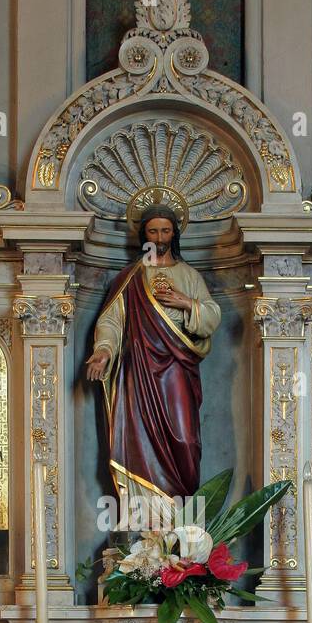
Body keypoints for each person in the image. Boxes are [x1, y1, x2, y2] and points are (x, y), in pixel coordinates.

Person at [85, 204, 221, 529]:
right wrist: (103, 351)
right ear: (143, 234)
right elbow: (112, 321)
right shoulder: (131, 278)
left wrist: (188, 303)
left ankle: (180, 523)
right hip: (139, 370)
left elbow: (213, 317)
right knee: (139, 437)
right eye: (153, 231)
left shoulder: (189, 276)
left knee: (185, 440)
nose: (159, 237)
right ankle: (144, 524)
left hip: (177, 370)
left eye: (165, 230)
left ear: (175, 233)